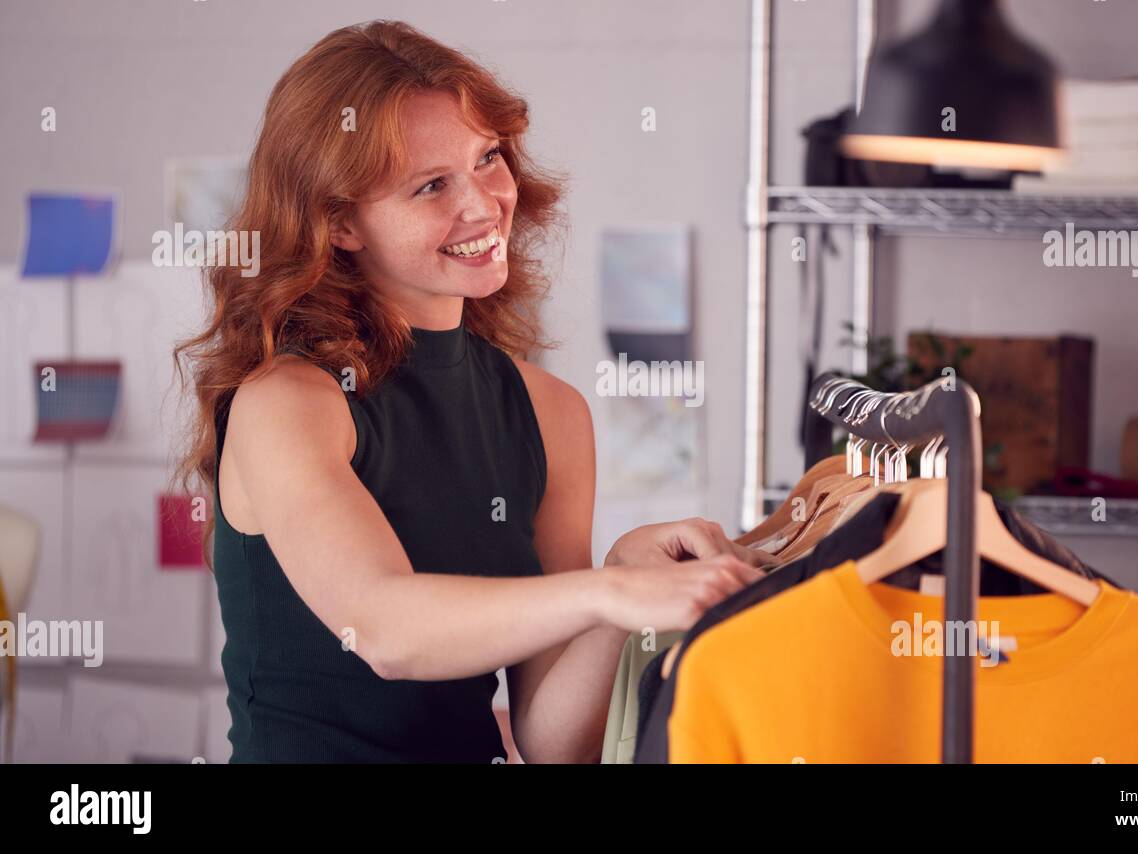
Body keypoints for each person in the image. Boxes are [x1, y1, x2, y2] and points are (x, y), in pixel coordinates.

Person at [173, 20, 772, 763]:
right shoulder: (288, 404)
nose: (485, 203)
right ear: (342, 225)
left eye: (487, 158)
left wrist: (619, 580)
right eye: (431, 185)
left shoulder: (550, 414)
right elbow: (383, 628)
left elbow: (552, 743)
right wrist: (601, 595)